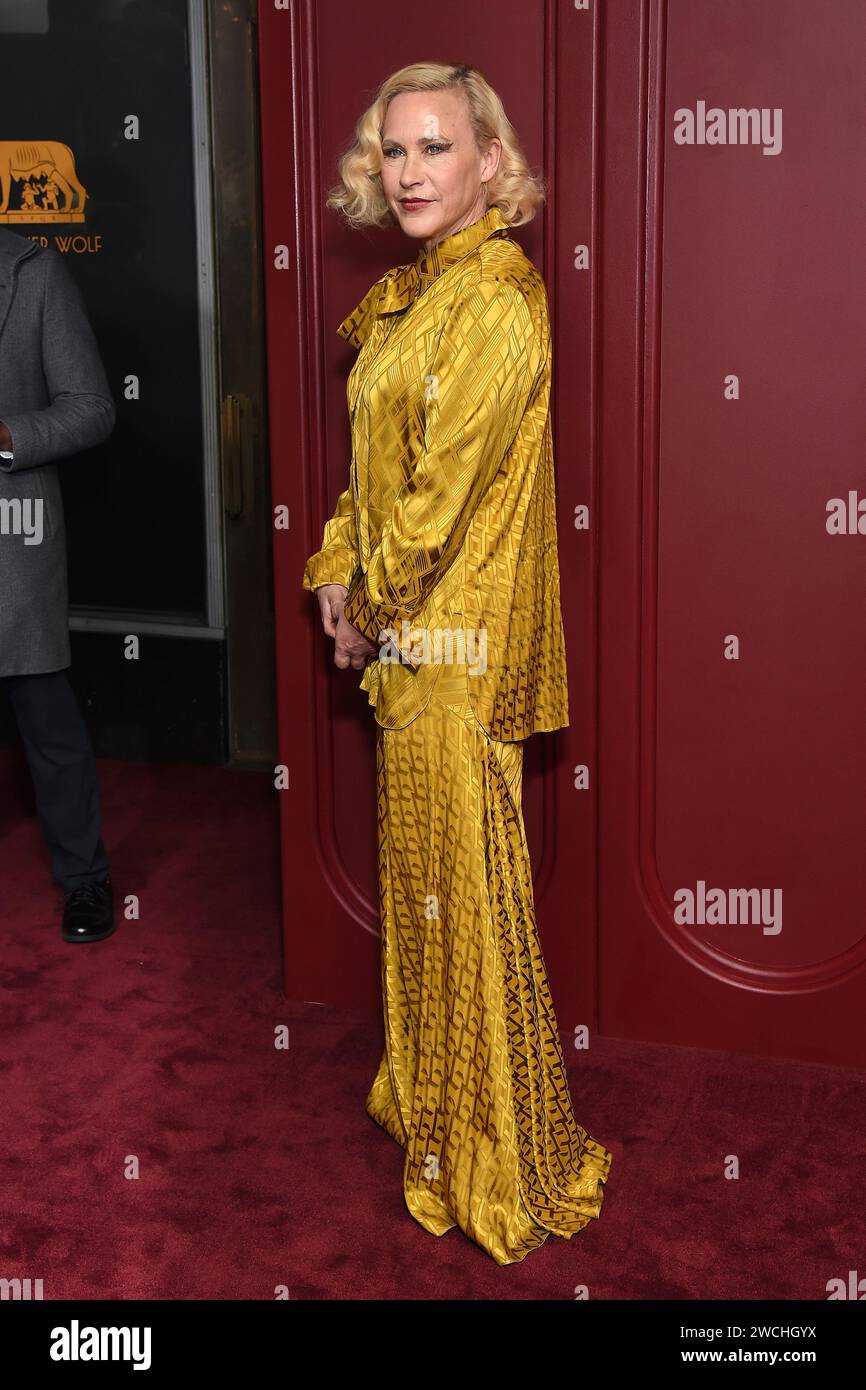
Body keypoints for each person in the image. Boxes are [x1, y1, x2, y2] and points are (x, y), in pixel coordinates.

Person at [303, 61, 613, 1265]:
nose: (411, 170)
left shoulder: (494, 300)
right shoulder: (413, 293)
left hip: (453, 651)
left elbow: (433, 507)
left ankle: (497, 1157)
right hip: (406, 648)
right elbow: (371, 475)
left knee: (467, 904)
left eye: (436, 146)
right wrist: (336, 577)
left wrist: (366, 608)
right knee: (426, 892)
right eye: (395, 149)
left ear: (490, 161)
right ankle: (437, 1111)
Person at [0, 227, 116, 942]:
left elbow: (91, 406)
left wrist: (6, 436)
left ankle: (85, 881)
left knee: (46, 721)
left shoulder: (34, 272)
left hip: (11, 540)